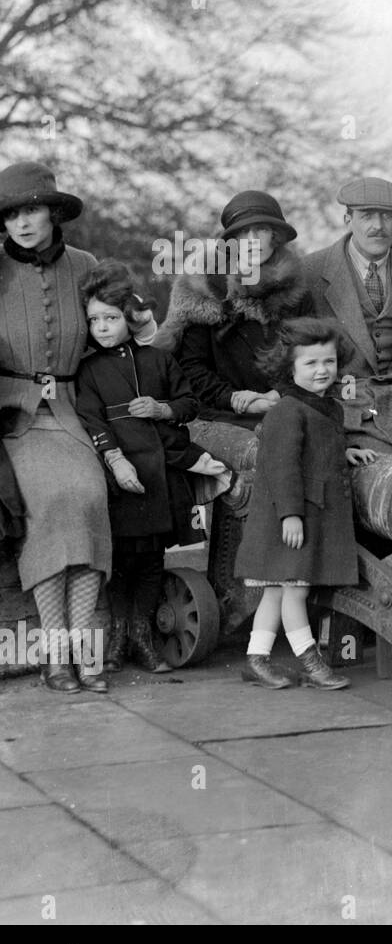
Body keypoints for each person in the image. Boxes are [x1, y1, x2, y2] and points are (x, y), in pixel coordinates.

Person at [0, 161, 155, 693]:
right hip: (14, 421)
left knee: (89, 497)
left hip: (77, 412)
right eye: (13, 214)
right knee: (51, 500)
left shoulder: (86, 266)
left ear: (54, 213)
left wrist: (138, 319)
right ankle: (55, 655)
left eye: (33, 210)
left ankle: (83, 650)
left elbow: (115, 335)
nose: (23, 223)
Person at [75, 262, 229, 674]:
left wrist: (163, 409)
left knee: (150, 561)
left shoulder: (158, 360)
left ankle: (143, 638)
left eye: (110, 318)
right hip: (118, 475)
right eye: (94, 320)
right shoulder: (88, 371)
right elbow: (91, 420)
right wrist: (116, 460)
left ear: (129, 317)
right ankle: (116, 639)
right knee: (120, 562)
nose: (103, 328)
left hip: (158, 474)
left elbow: (190, 403)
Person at [233, 318, 376, 690]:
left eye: (328, 362)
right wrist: (291, 516)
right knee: (294, 590)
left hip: (303, 512)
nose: (321, 370)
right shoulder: (287, 410)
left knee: (277, 589)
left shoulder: (326, 407)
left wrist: (346, 452)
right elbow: (283, 468)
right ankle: (311, 663)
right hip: (291, 514)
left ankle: (256, 659)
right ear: (290, 367)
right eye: (310, 363)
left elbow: (316, 451)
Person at [302, 176, 392, 459]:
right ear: (347, 219)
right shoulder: (310, 274)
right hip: (347, 409)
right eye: (366, 216)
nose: (378, 226)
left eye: (387, 216)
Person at [156, 191, 313, 431]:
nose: (252, 239)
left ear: (275, 236)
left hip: (287, 407)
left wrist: (278, 395)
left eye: (260, 230)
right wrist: (235, 400)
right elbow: (191, 366)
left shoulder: (296, 290)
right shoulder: (206, 286)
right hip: (220, 415)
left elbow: (312, 355)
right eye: (242, 232)